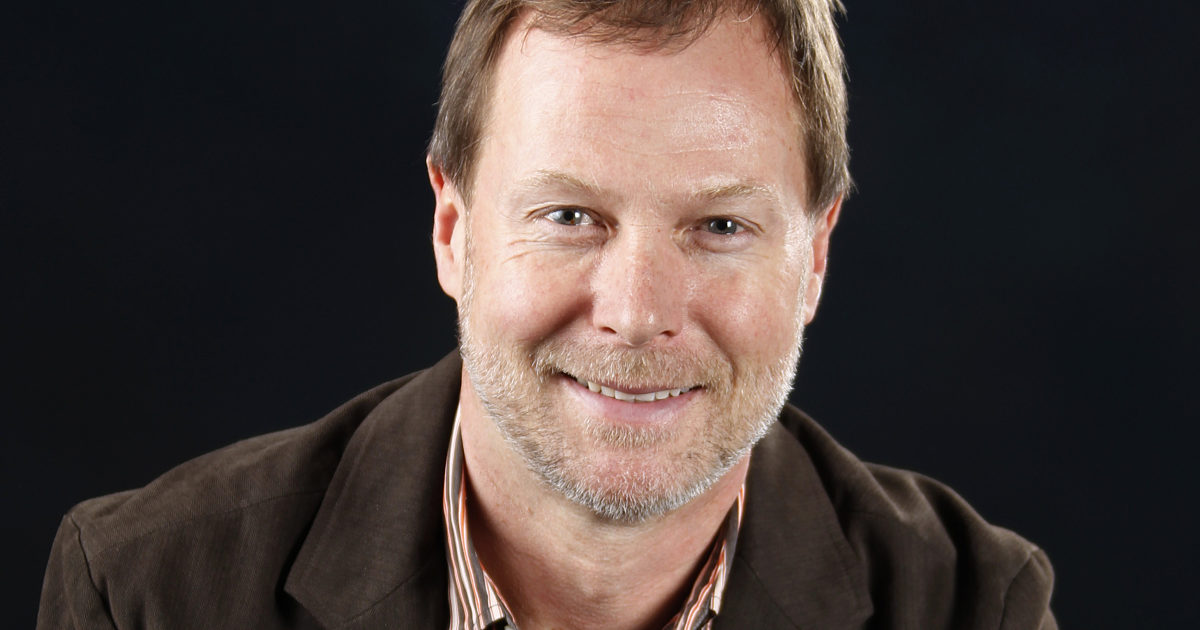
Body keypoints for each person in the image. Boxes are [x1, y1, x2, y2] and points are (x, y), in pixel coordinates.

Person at [37, 1, 1056, 628]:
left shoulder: (968, 607)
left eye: (718, 227)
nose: (636, 313)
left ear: (817, 255)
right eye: (570, 215)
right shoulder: (152, 593)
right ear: (453, 230)